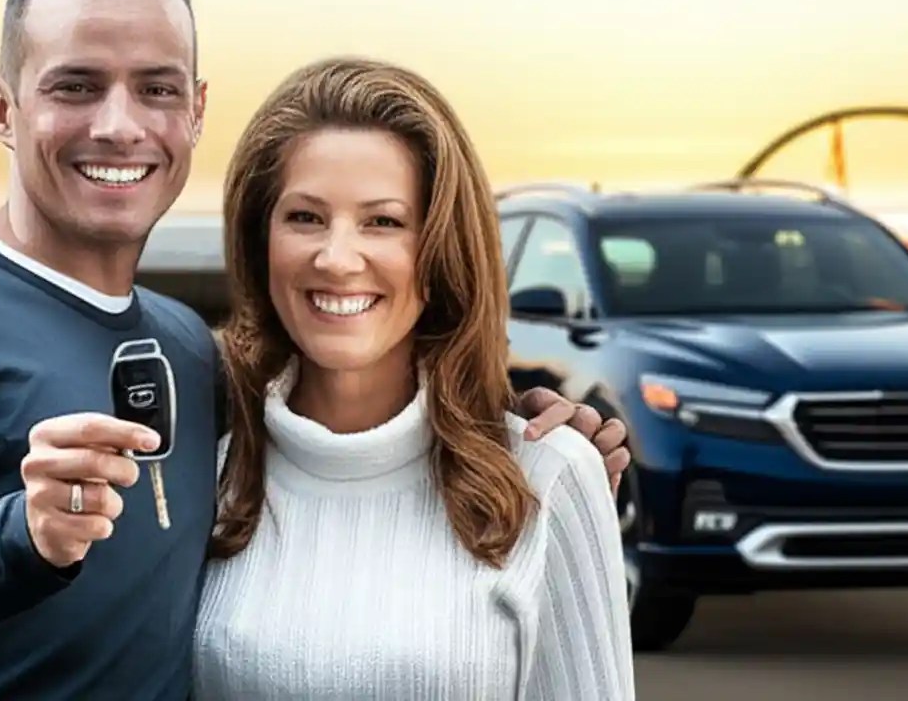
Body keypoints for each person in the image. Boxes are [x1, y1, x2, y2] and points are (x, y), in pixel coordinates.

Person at [0, 0, 629, 699]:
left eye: (155, 89)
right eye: (76, 86)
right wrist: (23, 535)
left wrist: (521, 425)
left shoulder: (190, 354)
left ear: (195, 110)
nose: (120, 127)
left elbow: (368, 416)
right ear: (2, 107)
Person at [190, 57, 635, 699]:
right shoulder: (204, 471)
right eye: (305, 217)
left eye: (384, 221)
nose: (337, 258)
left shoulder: (552, 476)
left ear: (440, 253)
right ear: (260, 242)